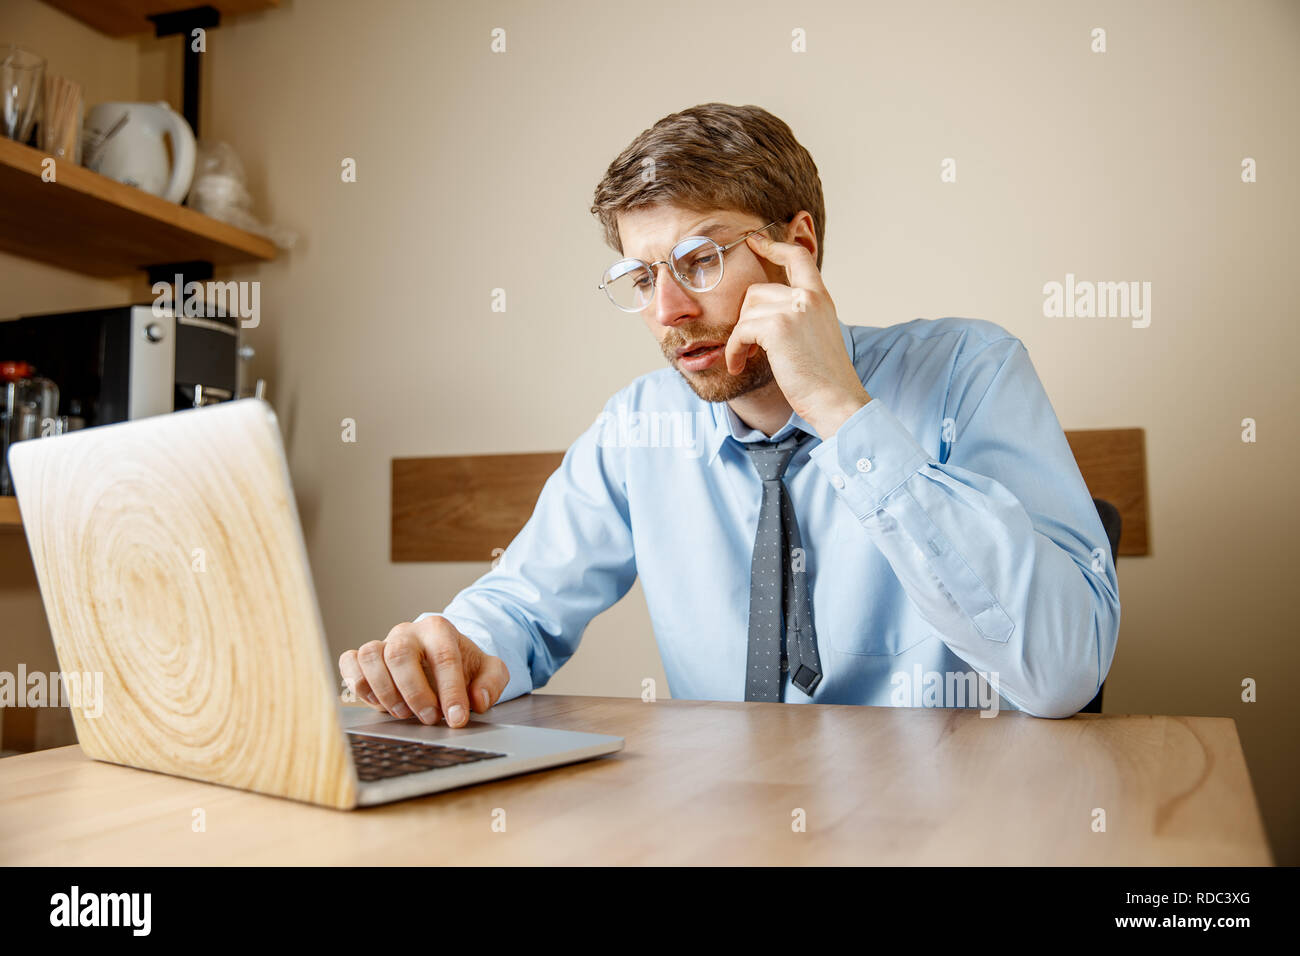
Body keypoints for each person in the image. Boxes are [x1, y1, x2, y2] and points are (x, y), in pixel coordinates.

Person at [338, 103, 1119, 727]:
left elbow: (1062, 672)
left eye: (699, 260)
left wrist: (841, 410)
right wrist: (455, 651)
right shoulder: (637, 428)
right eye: (642, 277)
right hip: (724, 829)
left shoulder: (967, 372)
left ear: (796, 246)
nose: (669, 310)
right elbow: (521, 605)